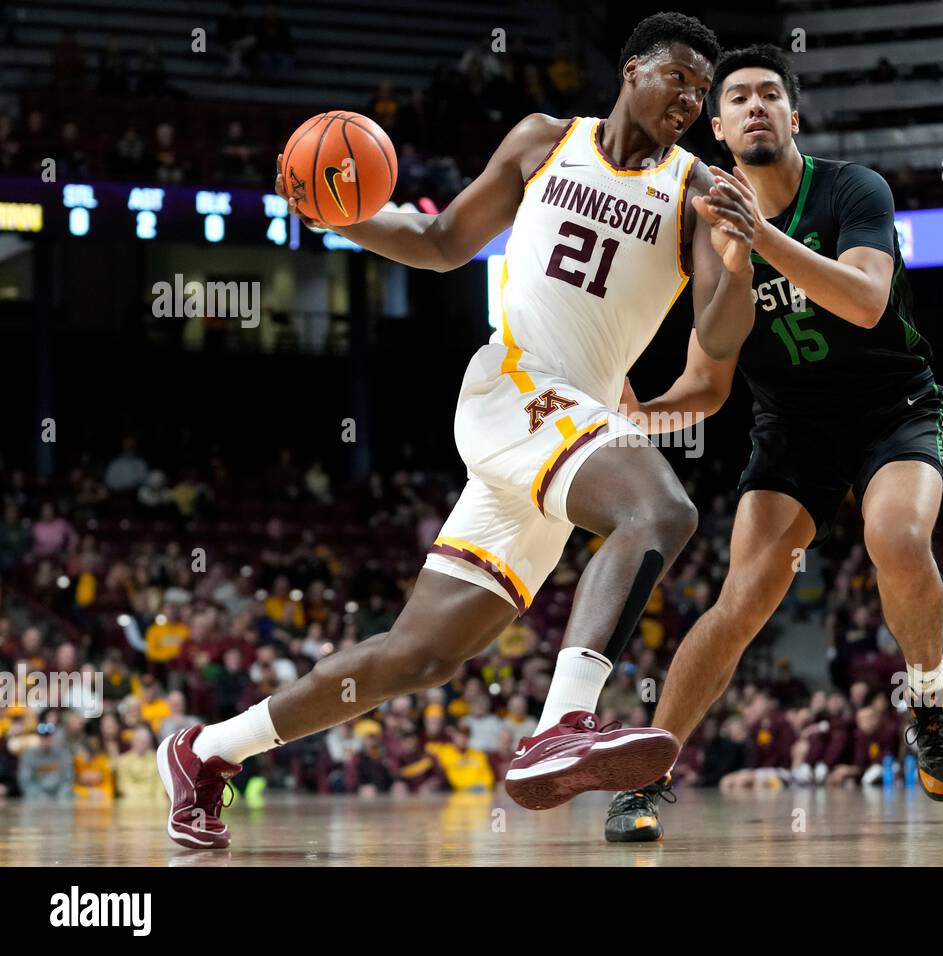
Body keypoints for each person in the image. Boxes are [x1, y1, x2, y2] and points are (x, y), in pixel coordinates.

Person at [158, 12, 757, 850]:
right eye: (679, 78)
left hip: (568, 429)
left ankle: (207, 751)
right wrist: (342, 219)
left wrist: (739, 250)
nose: (691, 100)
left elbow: (720, 343)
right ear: (630, 71)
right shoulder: (544, 139)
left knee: (421, 654)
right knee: (661, 511)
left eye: (703, 90)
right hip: (513, 388)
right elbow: (442, 242)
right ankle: (564, 725)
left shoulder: (699, 192)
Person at [605, 44, 943, 843]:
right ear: (720, 133)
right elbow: (707, 385)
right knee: (740, 603)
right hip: (792, 427)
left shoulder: (852, 189)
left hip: (893, 407)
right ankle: (645, 775)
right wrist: (642, 415)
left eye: (771, 93)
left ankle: (933, 706)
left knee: (897, 536)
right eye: (737, 98)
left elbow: (868, 302)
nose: (755, 105)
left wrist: (761, 236)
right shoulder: (711, 238)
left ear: (794, 117)